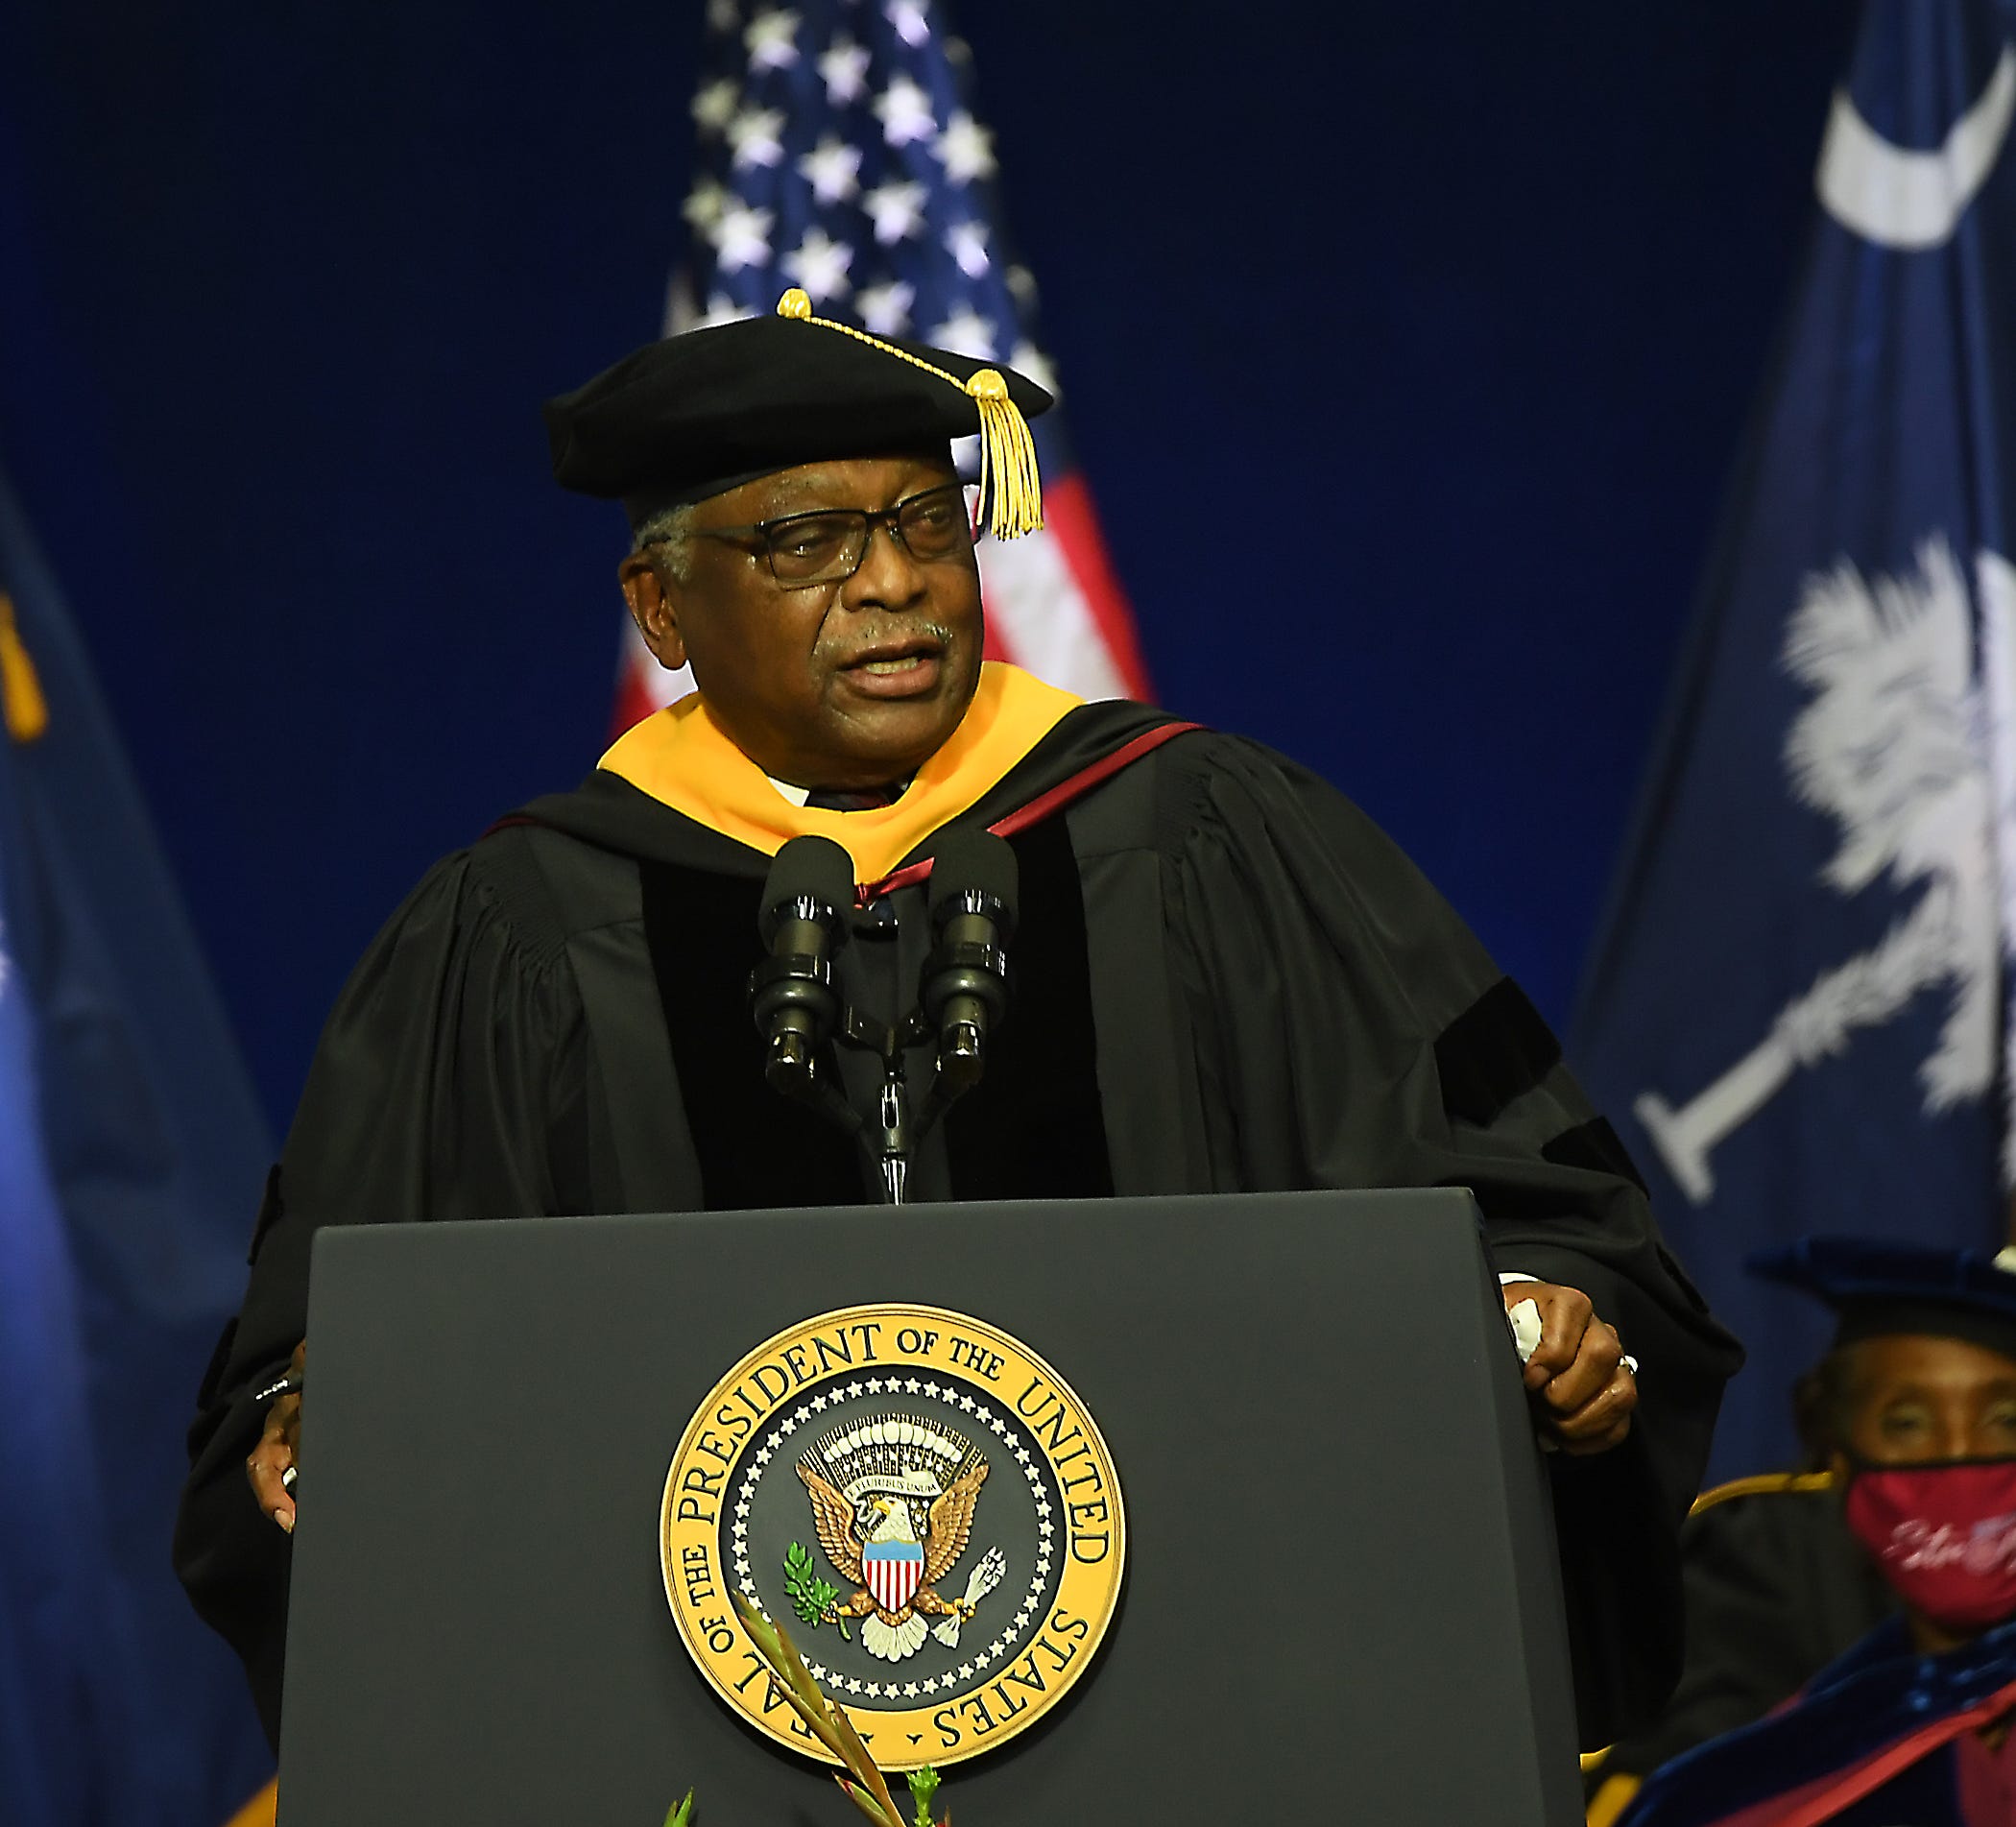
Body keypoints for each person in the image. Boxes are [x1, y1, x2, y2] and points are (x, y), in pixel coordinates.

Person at [173, 289, 1742, 1751]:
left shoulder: (1208, 839)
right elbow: (333, 1353)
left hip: (1215, 1718)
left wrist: (1539, 1313)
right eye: (805, 539)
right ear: (662, 606)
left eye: (928, 520)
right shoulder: (517, 935)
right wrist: (308, 1430)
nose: (893, 578)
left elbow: (1537, 1211)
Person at [1619, 1238, 2016, 1825]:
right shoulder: (1752, 1774)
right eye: (1907, 1424)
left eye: (2006, 1420)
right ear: (1838, 1456)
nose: (1958, 1455)